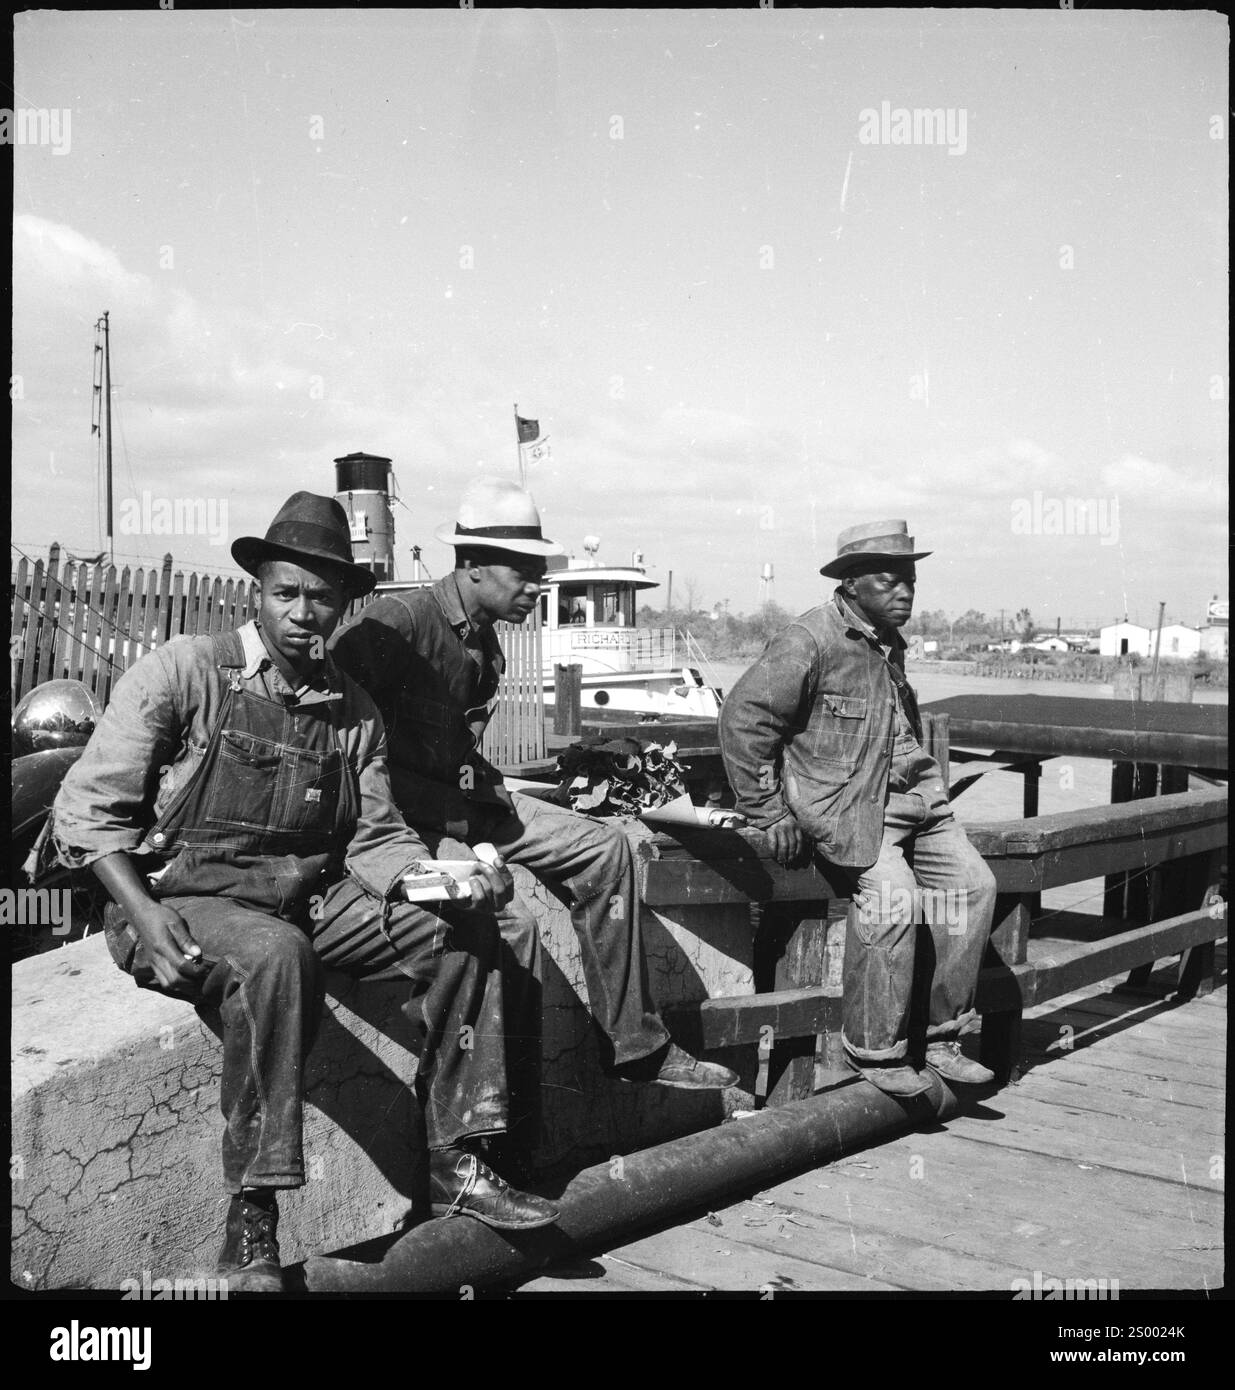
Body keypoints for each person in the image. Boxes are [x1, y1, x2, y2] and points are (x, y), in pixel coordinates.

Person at [51, 492, 559, 1294]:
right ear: (258, 592)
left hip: (303, 899)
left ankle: (457, 1162)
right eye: (285, 594)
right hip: (184, 900)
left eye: (321, 598)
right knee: (275, 954)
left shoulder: (354, 712)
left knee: (462, 929)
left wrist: (439, 881)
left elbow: (375, 836)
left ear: (344, 605)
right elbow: (84, 815)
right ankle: (251, 1217)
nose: (302, 614)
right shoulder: (186, 671)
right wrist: (144, 916)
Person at [329, 478, 738, 1101]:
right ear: (468, 565)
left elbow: (456, 749)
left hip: (467, 803)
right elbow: (331, 731)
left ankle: (636, 1045)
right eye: (521, 570)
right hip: (405, 823)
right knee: (500, 920)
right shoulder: (398, 623)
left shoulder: (483, 642)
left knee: (607, 850)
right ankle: (502, 1112)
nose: (535, 584)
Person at [719, 520, 997, 1097]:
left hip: (917, 800)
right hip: (850, 812)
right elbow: (743, 720)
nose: (906, 593)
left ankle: (944, 1036)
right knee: (894, 900)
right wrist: (769, 812)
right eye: (889, 580)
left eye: (911, 581)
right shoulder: (810, 639)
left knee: (973, 886)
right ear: (850, 583)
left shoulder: (887, 640)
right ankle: (875, 1050)